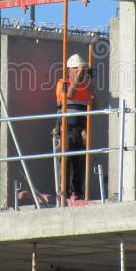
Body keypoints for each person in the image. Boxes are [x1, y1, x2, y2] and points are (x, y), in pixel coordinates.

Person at [55, 53, 94, 199]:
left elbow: (94, 107)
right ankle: (63, 194)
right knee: (66, 161)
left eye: (82, 71)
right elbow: (69, 95)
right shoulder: (62, 83)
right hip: (66, 129)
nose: (81, 74)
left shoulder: (85, 87)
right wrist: (78, 78)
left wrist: (92, 92)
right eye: (77, 70)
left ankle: (77, 193)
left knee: (80, 162)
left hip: (81, 131)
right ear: (70, 70)